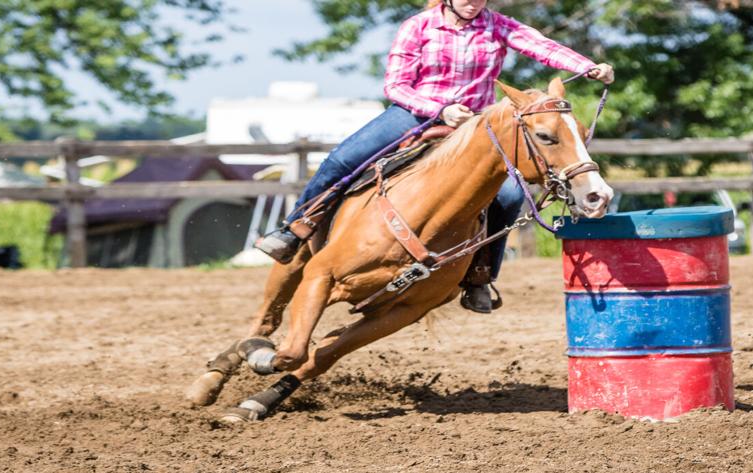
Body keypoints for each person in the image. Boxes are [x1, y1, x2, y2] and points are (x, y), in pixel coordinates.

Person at [255, 0, 614, 313]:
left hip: (474, 124)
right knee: (343, 160)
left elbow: (540, 46)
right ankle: (296, 228)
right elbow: (395, 84)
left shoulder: (499, 26)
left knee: (509, 195)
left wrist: (586, 66)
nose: (473, 2)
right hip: (414, 113)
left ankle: (480, 275)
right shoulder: (418, 26)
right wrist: (440, 109)